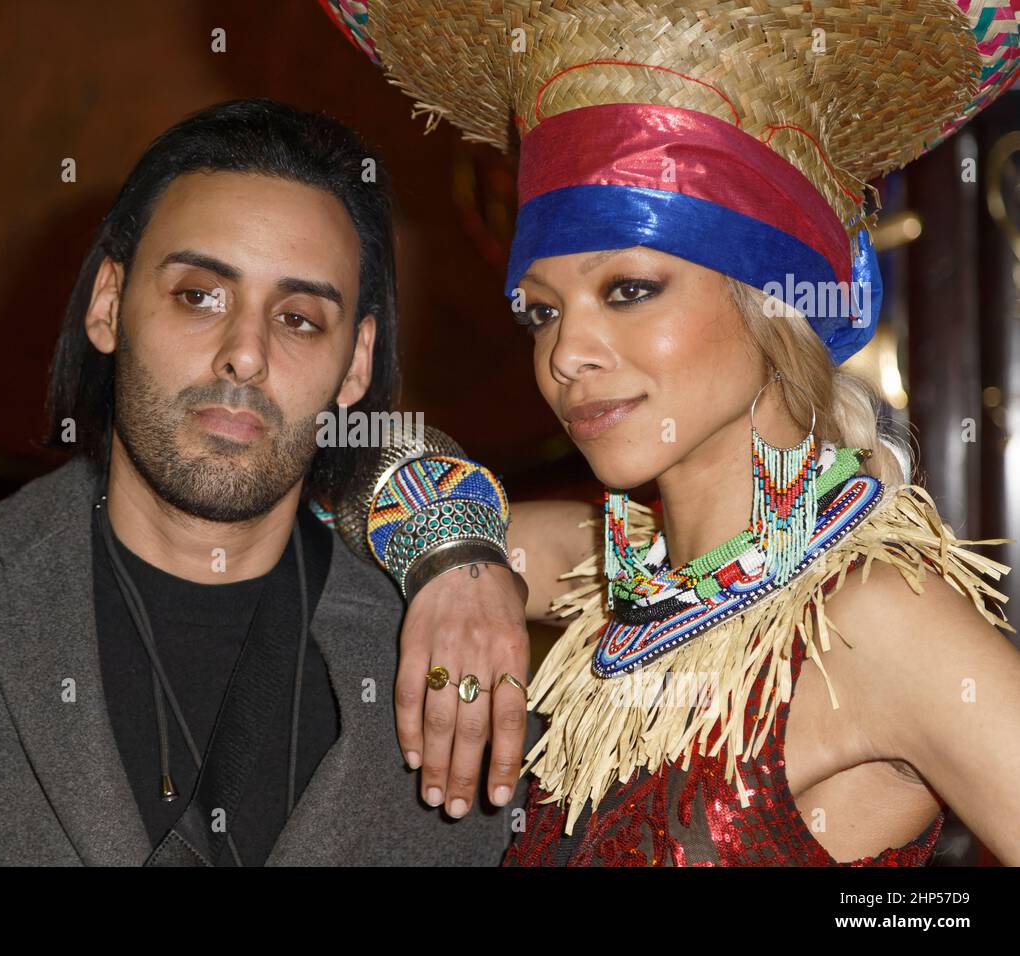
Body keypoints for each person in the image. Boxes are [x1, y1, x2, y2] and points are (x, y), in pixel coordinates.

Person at [0, 98, 533, 866]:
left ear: (354, 362)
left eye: (298, 318)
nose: (244, 354)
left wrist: (470, 558)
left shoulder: (458, 661)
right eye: (198, 295)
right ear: (108, 306)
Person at [325, 0, 1020, 865]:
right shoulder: (608, 569)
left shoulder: (874, 619)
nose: (565, 354)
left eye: (628, 290)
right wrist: (454, 566)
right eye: (540, 311)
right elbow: (334, 476)